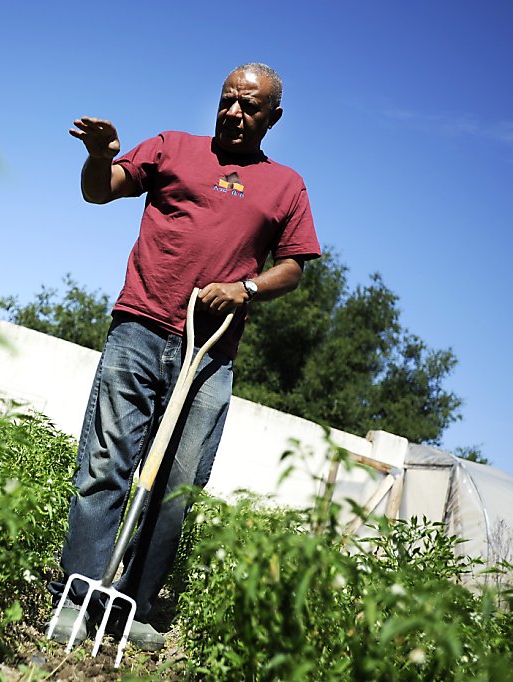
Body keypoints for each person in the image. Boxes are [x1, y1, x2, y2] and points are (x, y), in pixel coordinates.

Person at [49, 63, 321, 651]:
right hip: (141, 330)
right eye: (227, 101)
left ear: (273, 117)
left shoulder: (286, 185)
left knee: (176, 487)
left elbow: (295, 265)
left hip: (211, 353)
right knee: (107, 464)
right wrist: (101, 156)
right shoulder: (173, 148)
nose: (234, 113)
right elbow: (100, 190)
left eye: (249, 106)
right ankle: (78, 595)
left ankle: (135, 608)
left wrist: (246, 287)